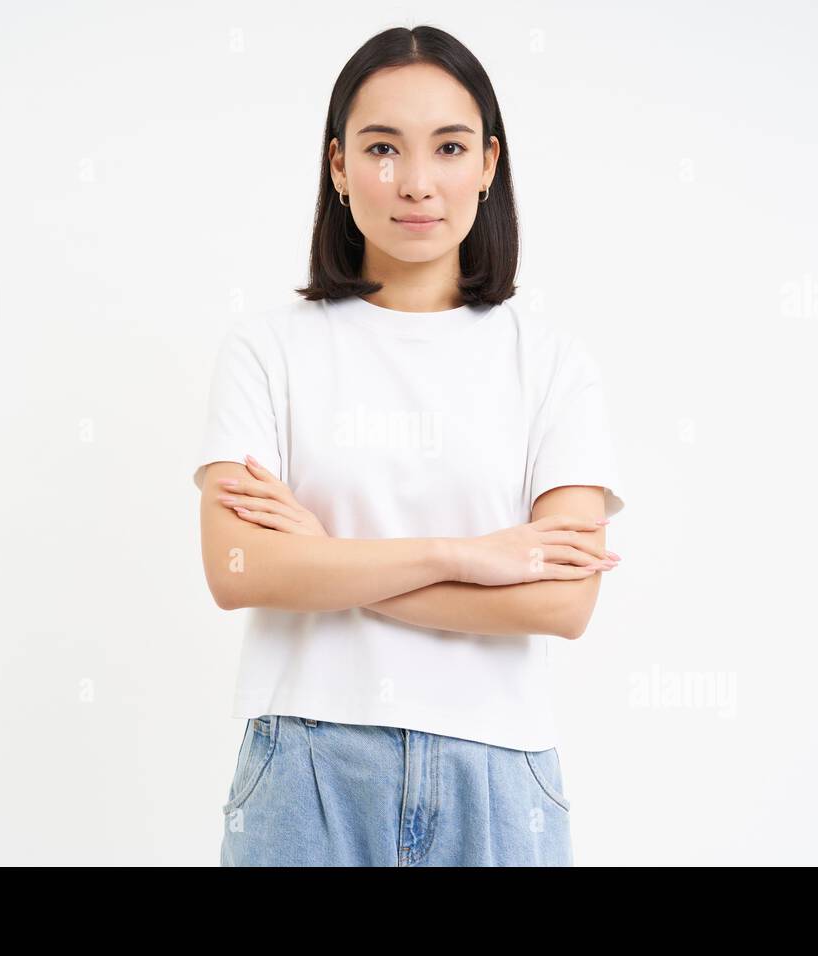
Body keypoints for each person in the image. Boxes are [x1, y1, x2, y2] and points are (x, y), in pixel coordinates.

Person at [193, 25, 625, 866]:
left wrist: (327, 561)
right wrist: (468, 556)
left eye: (450, 147)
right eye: (383, 147)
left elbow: (560, 604)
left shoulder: (550, 363)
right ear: (339, 167)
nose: (417, 182)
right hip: (306, 762)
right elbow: (238, 571)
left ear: (489, 164)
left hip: (498, 774)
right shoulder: (269, 350)